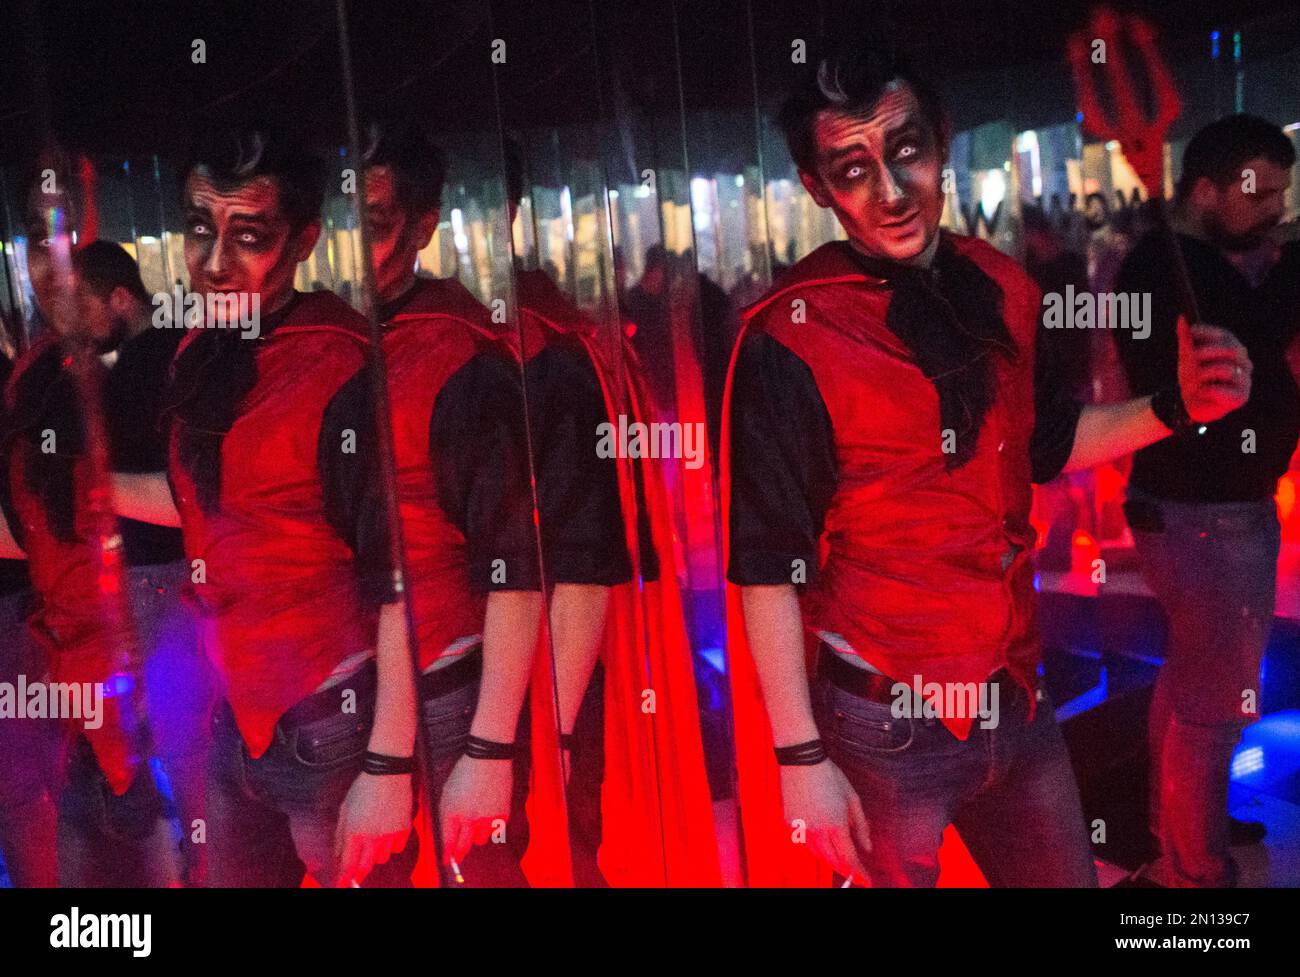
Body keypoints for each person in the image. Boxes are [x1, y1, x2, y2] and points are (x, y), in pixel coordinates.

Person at [723, 36, 1252, 888]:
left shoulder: (1003, 282)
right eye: (853, 170)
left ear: (941, 143)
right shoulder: (791, 333)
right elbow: (764, 568)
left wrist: (1175, 409)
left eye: (906, 151)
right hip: (881, 720)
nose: (892, 191)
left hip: (1017, 697)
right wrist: (799, 759)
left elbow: (1045, 444)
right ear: (819, 190)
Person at [112, 128, 416, 887]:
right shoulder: (199, 352)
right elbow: (211, 508)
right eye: (199, 231)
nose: (214, 263)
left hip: (330, 706)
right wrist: (95, 488)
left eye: (248, 236)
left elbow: (402, 572)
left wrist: (389, 759)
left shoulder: (336, 359)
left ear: (305, 239)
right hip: (235, 706)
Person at [1115, 114, 1300, 888]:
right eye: (1261, 193)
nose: (1277, 209)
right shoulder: (1175, 270)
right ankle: (1190, 876)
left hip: (1195, 509)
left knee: (1192, 682)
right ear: (1204, 191)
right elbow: (1246, 348)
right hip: (1209, 516)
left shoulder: (1179, 260)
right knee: (1214, 703)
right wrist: (1291, 269)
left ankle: (1180, 832)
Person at [360, 122, 546, 887]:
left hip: (445, 681)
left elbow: (516, 565)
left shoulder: (461, 348)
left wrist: (490, 746)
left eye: (370, 222)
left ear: (423, 226)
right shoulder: (325, 338)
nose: (347, 245)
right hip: (338, 686)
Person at [1, 167, 176, 886]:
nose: (47, 263)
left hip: (144, 610)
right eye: (35, 242)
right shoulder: (45, 369)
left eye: (59, 237)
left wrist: (86, 490)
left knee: (162, 815)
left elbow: (191, 501)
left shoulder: (157, 361)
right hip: (73, 627)